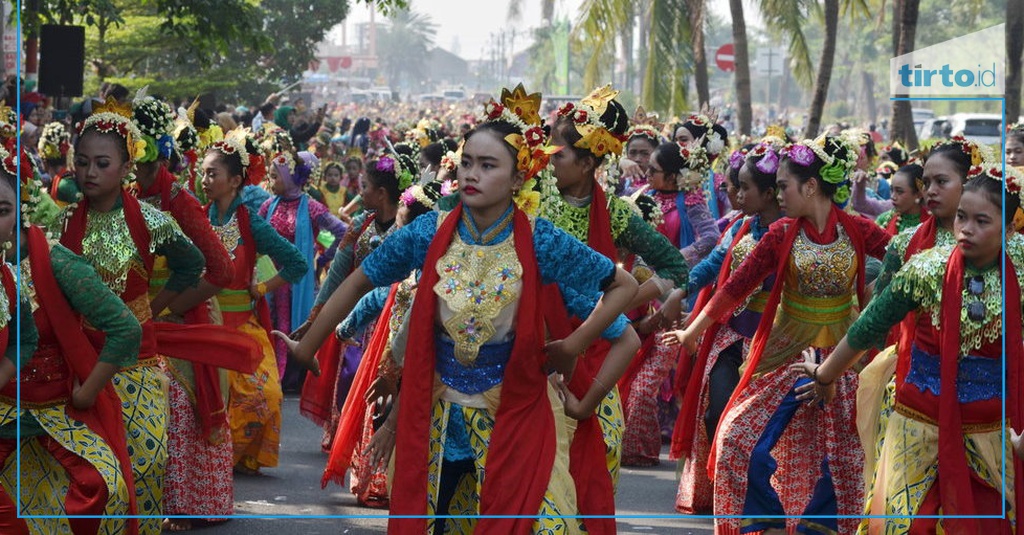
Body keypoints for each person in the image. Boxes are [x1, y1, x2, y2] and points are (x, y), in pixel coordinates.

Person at [274, 86, 640, 534]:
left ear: (518, 178)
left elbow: (621, 285)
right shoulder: (428, 231)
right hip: (438, 412)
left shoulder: (541, 239)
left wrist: (573, 345)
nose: (473, 174)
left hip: (514, 409)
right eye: (467, 162)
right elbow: (360, 280)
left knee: (548, 527)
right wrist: (308, 345)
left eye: (488, 166)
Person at [666, 134, 891, 534]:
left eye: (785, 185)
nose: (779, 193)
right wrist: (693, 331)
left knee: (846, 451)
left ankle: (820, 525)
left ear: (810, 186)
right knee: (737, 435)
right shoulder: (781, 232)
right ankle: (763, 521)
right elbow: (734, 287)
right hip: (785, 350)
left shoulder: (859, 230)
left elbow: (903, 264)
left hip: (843, 355)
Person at [792, 166, 1020, 533]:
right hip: (919, 426)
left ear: (1009, 229)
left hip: (991, 431)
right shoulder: (927, 267)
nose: (966, 229)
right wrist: (825, 374)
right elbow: (870, 324)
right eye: (962, 217)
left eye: (982, 221)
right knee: (907, 526)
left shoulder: (1021, 266)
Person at [60, 97, 207, 535]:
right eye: (82, 162)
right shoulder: (64, 221)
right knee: (87, 473)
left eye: (102, 163)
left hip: (137, 366)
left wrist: (152, 309)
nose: (89, 172)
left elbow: (192, 263)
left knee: (144, 465)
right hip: (81, 366)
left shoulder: (151, 220)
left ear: (127, 167)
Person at [546, 86, 690, 493]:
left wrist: (620, 300)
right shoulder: (532, 201)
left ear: (588, 162)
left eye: (558, 154)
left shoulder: (615, 213)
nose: (548, 161)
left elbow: (675, 267)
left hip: (596, 347)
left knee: (598, 453)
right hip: (538, 346)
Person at [0, 147, 139, 535]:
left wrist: (86, 393)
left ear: (22, 208)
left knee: (103, 487)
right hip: (2, 410)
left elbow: (126, 328)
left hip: (54, 410)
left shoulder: (57, 262)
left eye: (2, 211)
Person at [670, 140, 783, 514]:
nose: (736, 193)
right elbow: (709, 267)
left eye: (745, 188)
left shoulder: (790, 234)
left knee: (763, 425)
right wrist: (680, 288)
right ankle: (726, 491)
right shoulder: (740, 228)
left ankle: (757, 498)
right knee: (715, 413)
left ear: (769, 194)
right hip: (732, 337)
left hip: (774, 344)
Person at [202, 132, 307, 476]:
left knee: (265, 397)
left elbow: (296, 264)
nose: (204, 180)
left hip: (242, 325)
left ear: (234, 181)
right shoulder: (197, 218)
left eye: (212, 173)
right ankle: (212, 459)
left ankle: (236, 457)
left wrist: (261, 286)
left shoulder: (251, 222)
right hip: (204, 326)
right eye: (202, 172)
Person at [259, 150, 347, 392]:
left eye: (275, 176)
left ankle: (288, 375)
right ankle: (269, 371)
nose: (270, 182)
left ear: (289, 177)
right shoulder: (269, 204)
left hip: (296, 280)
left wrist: (324, 259)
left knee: (290, 325)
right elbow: (252, 233)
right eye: (270, 176)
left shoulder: (311, 207)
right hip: (269, 278)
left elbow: (343, 232)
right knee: (270, 322)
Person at [874, 163, 926, 236]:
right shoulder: (884, 220)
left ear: (918, 195)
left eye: (899, 191)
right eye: (892, 190)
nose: (893, 196)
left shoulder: (932, 223)